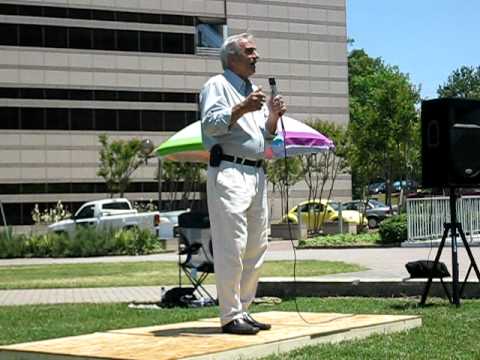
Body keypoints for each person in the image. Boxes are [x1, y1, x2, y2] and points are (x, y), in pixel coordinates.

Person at [200, 33, 287, 335]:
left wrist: (272, 117)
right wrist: (243, 108)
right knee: (232, 246)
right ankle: (229, 315)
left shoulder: (253, 92)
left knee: (257, 245)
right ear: (232, 57)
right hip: (229, 170)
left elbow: (266, 138)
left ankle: (244, 310)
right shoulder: (217, 86)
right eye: (250, 51)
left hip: (256, 173)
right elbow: (210, 125)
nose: (256, 56)